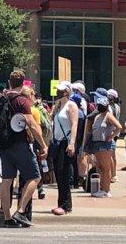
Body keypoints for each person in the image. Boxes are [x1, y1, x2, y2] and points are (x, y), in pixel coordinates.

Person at [0, 72, 47, 227]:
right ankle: (20, 211)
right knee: (35, 177)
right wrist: (43, 145)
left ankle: (7, 218)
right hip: (19, 143)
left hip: (3, 144)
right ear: (23, 83)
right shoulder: (21, 101)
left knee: (7, 180)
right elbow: (31, 124)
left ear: (9, 82)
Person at [50, 81, 78, 215]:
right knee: (58, 172)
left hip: (66, 142)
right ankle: (60, 203)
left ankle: (65, 205)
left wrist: (72, 142)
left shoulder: (71, 105)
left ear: (67, 92)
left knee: (63, 172)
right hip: (57, 142)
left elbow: (74, 125)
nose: (58, 93)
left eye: (61, 90)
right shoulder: (58, 106)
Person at [90, 96, 121, 198]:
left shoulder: (108, 116)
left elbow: (119, 127)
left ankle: (106, 190)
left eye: (102, 105)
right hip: (97, 143)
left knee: (105, 168)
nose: (100, 107)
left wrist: (111, 137)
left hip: (105, 144)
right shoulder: (97, 116)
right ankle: (102, 188)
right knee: (100, 167)